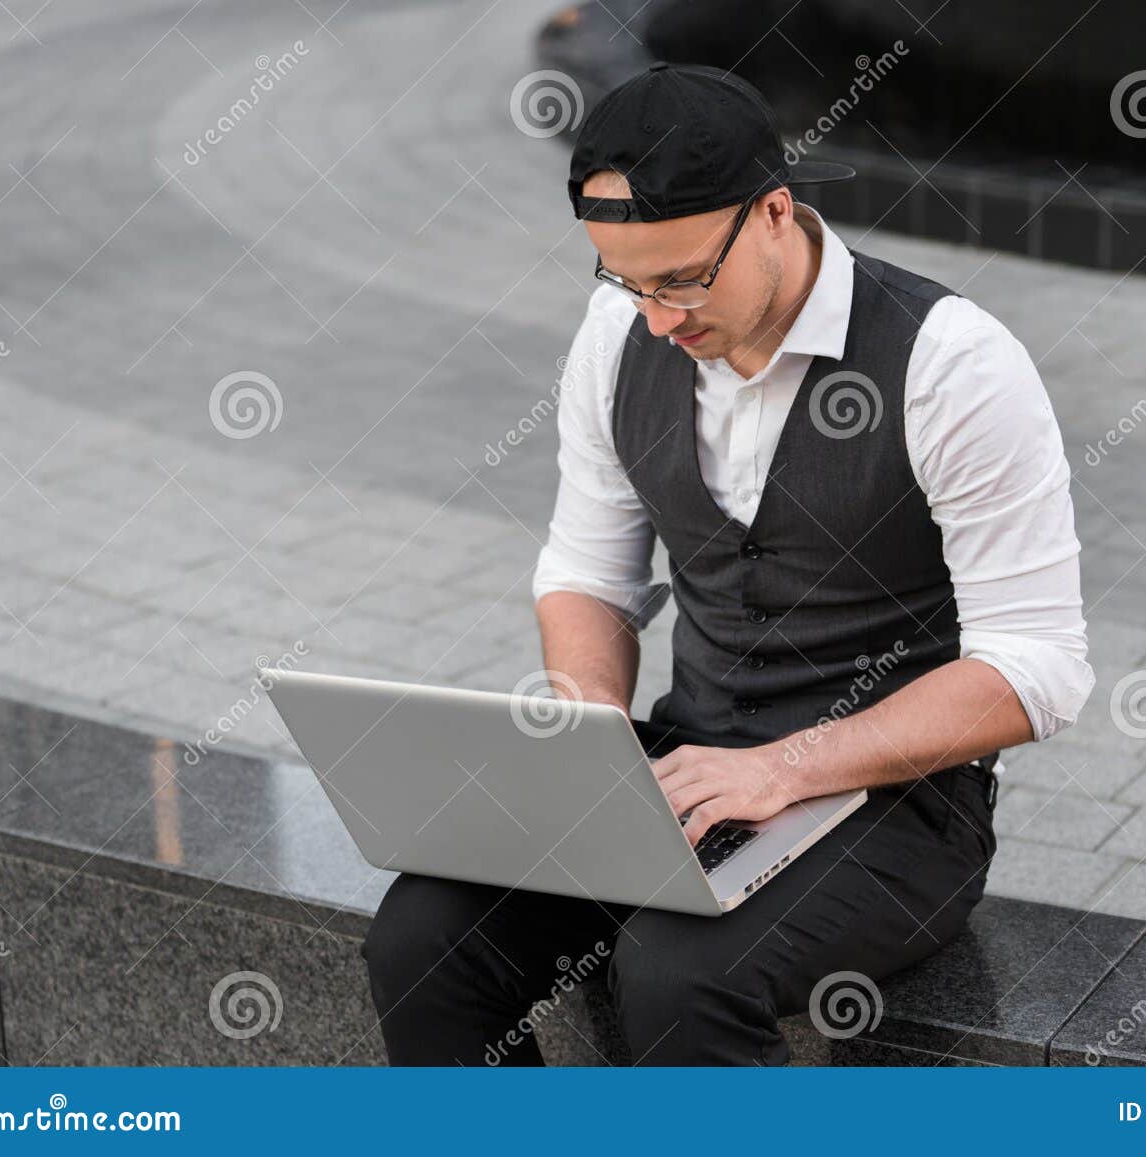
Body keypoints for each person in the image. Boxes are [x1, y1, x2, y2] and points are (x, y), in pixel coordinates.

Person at [362, 62, 1093, 1066]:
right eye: (625, 279)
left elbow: (1038, 665)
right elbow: (586, 572)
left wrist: (786, 766)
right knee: (423, 934)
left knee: (679, 971)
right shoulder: (621, 332)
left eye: (683, 279)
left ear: (776, 213)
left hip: (897, 810)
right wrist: (588, 748)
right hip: (684, 774)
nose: (658, 317)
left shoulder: (951, 362)